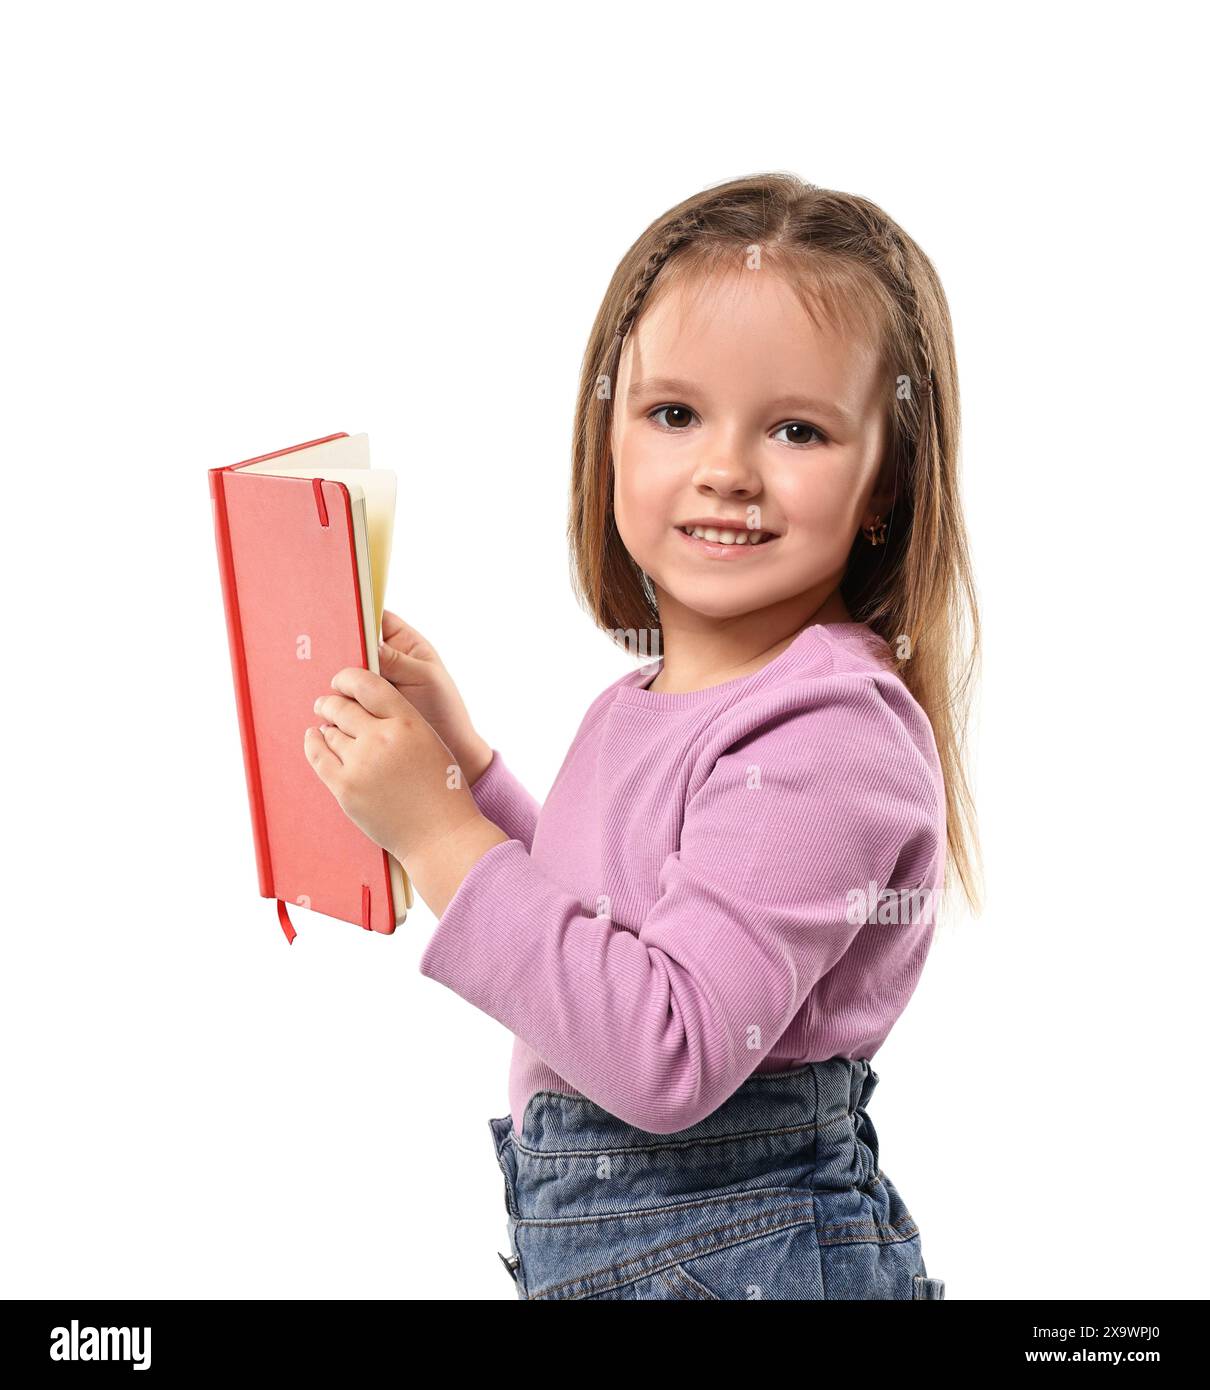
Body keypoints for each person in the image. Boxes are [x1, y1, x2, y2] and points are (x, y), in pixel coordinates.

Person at [304, 172, 982, 1300]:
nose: (726, 467)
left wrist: (436, 838)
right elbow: (618, 919)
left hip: (739, 1246)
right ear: (607, 434)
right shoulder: (649, 697)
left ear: (886, 483)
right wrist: (463, 775)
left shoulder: (827, 736)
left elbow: (666, 1048)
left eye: (798, 429)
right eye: (676, 413)